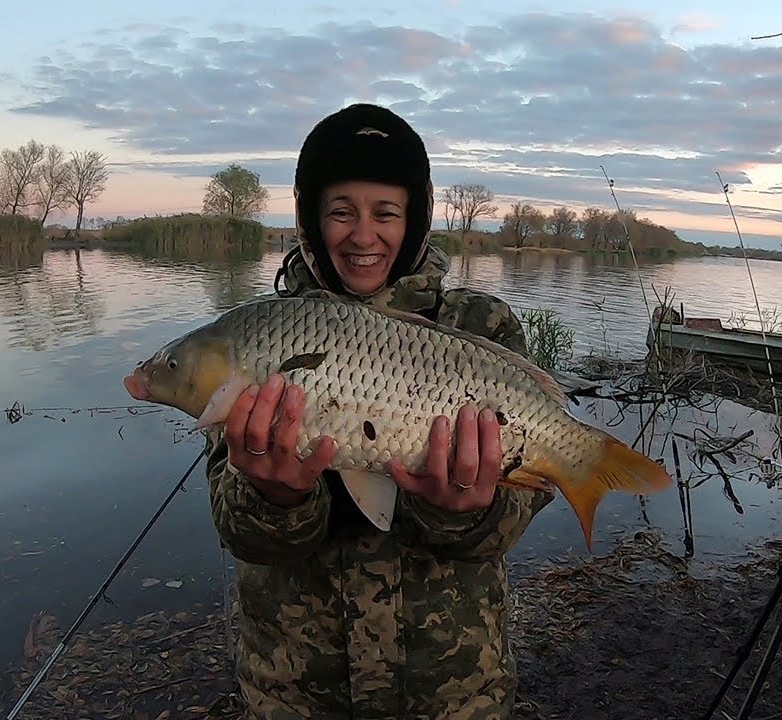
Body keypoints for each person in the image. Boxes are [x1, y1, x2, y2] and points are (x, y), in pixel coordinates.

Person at [203, 102, 553, 720]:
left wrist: (462, 511)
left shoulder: (482, 327)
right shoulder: (262, 335)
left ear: (414, 219)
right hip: (296, 693)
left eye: (385, 213)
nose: (363, 236)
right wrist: (275, 498)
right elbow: (239, 532)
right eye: (341, 211)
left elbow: (506, 527)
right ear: (311, 220)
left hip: (453, 693)